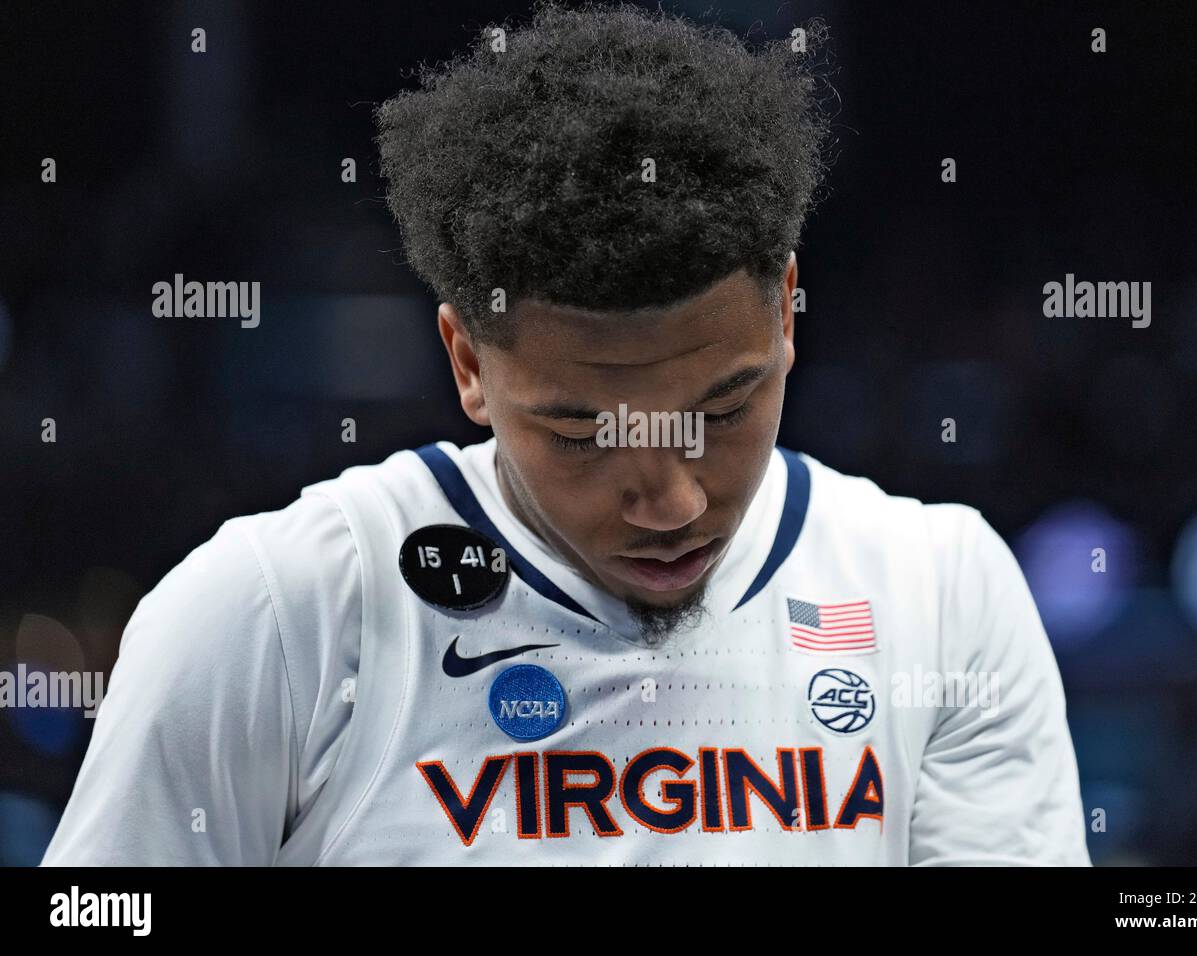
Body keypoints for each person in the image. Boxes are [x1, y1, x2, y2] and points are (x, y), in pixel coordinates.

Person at [42, 1, 1089, 865]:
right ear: (467, 365)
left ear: (785, 315)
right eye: (585, 430)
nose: (672, 498)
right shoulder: (270, 617)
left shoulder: (940, 593)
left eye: (721, 411)